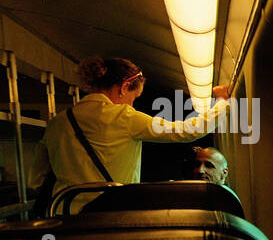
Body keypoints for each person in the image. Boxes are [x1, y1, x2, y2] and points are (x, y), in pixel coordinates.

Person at [27, 56, 230, 214]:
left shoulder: (57, 122)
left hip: (63, 217)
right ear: (124, 87)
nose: (133, 104)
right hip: (111, 216)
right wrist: (222, 102)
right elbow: (189, 130)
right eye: (134, 97)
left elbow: (36, 179)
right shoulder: (123, 117)